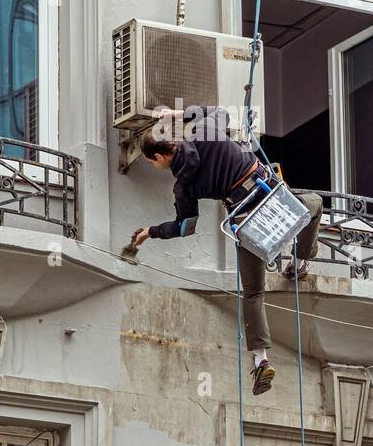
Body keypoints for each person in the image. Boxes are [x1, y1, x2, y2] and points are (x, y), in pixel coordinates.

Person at [129, 106, 323, 395]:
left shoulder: (183, 186)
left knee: (254, 292)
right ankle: (301, 260)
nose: (154, 166)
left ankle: (261, 360)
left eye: (151, 162)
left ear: (159, 156)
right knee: (315, 204)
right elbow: (220, 110)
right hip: (275, 204)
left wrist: (150, 232)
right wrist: (177, 112)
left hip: (250, 223)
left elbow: (185, 228)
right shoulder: (205, 132)